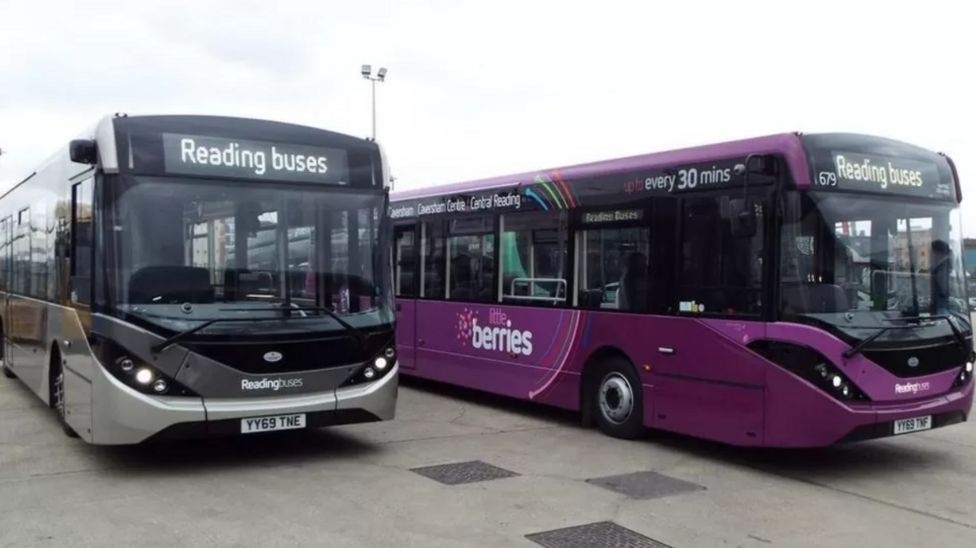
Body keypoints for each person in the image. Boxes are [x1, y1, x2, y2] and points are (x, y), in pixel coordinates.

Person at [931, 239, 952, 315]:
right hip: (940, 303)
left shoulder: (943, 267)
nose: (932, 255)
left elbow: (943, 288)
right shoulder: (943, 265)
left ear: (938, 252)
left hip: (941, 304)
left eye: (932, 252)